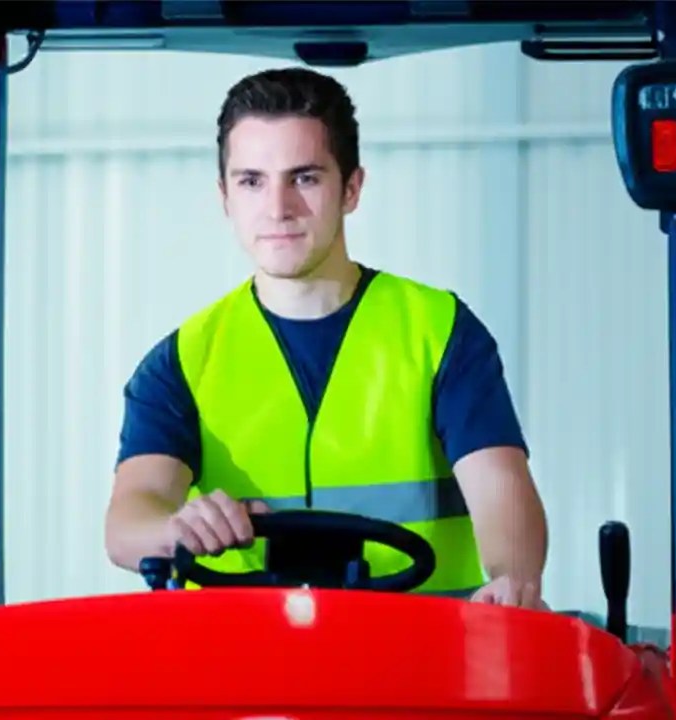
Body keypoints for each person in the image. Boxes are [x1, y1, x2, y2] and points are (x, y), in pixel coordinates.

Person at [102, 67, 549, 609]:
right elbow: (129, 520)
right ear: (225, 197)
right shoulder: (182, 361)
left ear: (352, 188)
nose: (277, 208)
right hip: (242, 674)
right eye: (251, 181)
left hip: (421, 670)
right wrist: (177, 527)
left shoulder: (440, 330)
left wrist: (511, 579)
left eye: (305, 178)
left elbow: (500, 487)